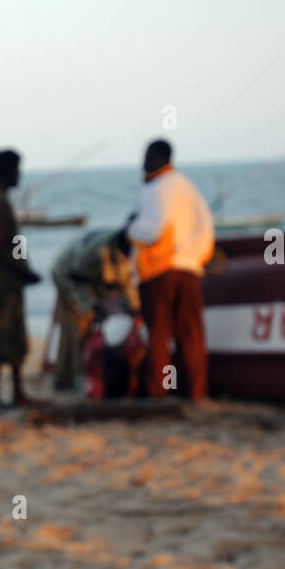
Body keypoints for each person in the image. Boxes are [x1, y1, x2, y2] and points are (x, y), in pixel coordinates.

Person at [126, 139, 215, 400]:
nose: (142, 162)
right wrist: (195, 258)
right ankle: (195, 392)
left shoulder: (157, 188)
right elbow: (207, 230)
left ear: (157, 157)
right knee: (191, 334)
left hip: (159, 271)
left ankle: (159, 391)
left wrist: (130, 228)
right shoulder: (189, 188)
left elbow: (152, 230)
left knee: (159, 333)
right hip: (189, 269)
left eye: (146, 156)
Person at [0, 148, 41, 407]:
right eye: (16, 169)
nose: (20, 174)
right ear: (7, 173)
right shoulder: (2, 205)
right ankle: (0, 395)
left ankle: (13, 392)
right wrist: (24, 271)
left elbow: (10, 243)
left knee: (3, 336)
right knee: (7, 338)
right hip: (4, 283)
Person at [49, 223, 142, 393]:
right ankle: (68, 379)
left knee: (95, 323)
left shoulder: (131, 249)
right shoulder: (96, 251)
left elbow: (127, 283)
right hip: (67, 274)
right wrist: (91, 307)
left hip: (92, 279)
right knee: (75, 326)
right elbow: (75, 281)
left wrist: (134, 309)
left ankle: (86, 371)